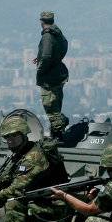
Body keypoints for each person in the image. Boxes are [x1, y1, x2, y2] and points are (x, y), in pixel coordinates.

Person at [34, 11, 69, 139]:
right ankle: (58, 131)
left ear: (41, 22)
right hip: (58, 73)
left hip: (49, 78)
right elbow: (64, 46)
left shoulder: (47, 36)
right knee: (55, 105)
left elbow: (46, 55)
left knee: (51, 107)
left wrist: (40, 70)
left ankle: (58, 135)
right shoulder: (57, 32)